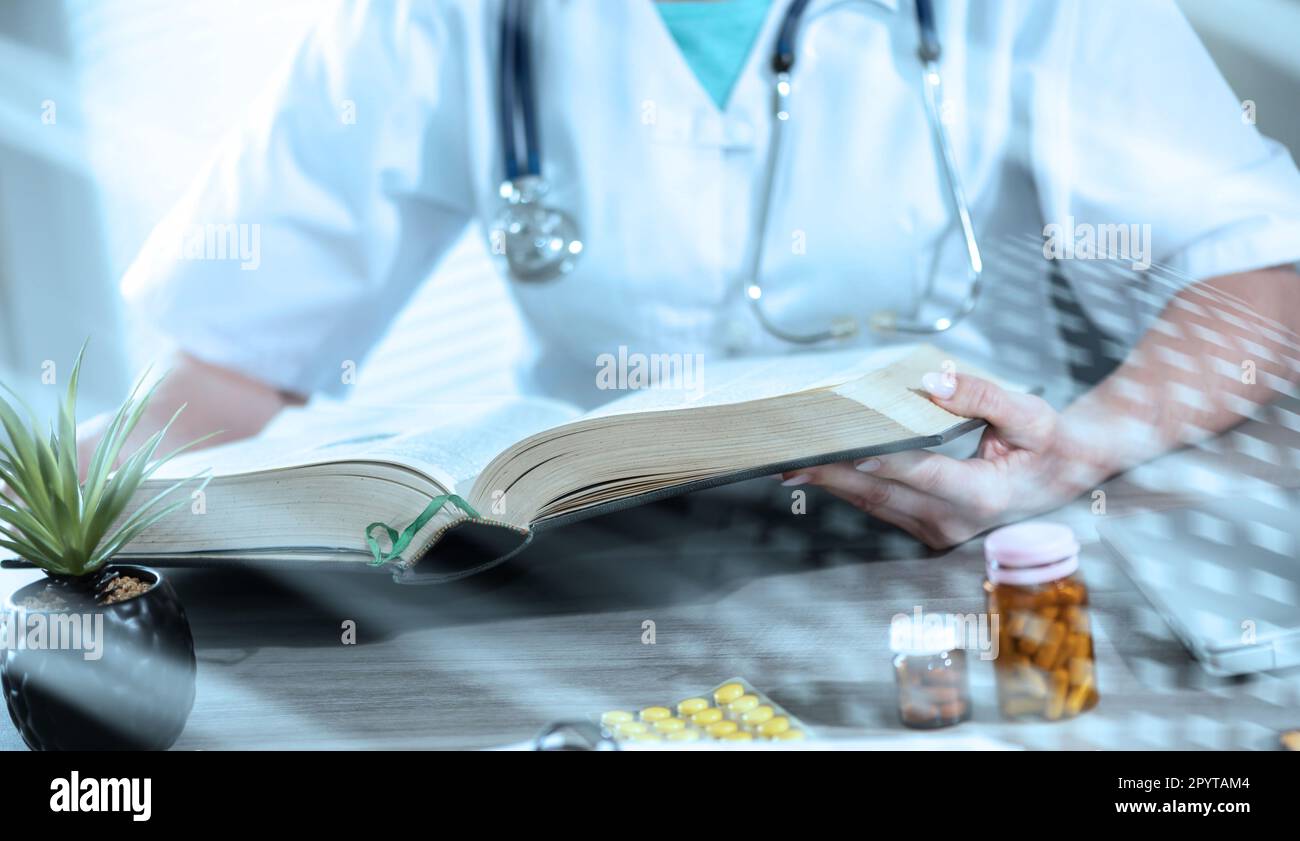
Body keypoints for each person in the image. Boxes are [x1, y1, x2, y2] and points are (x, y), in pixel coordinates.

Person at [84, 0, 1300, 548]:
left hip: (973, 540)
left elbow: (1265, 270)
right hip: (596, 569)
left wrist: (1077, 450)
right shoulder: (434, 20)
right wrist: (65, 515)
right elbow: (225, 366)